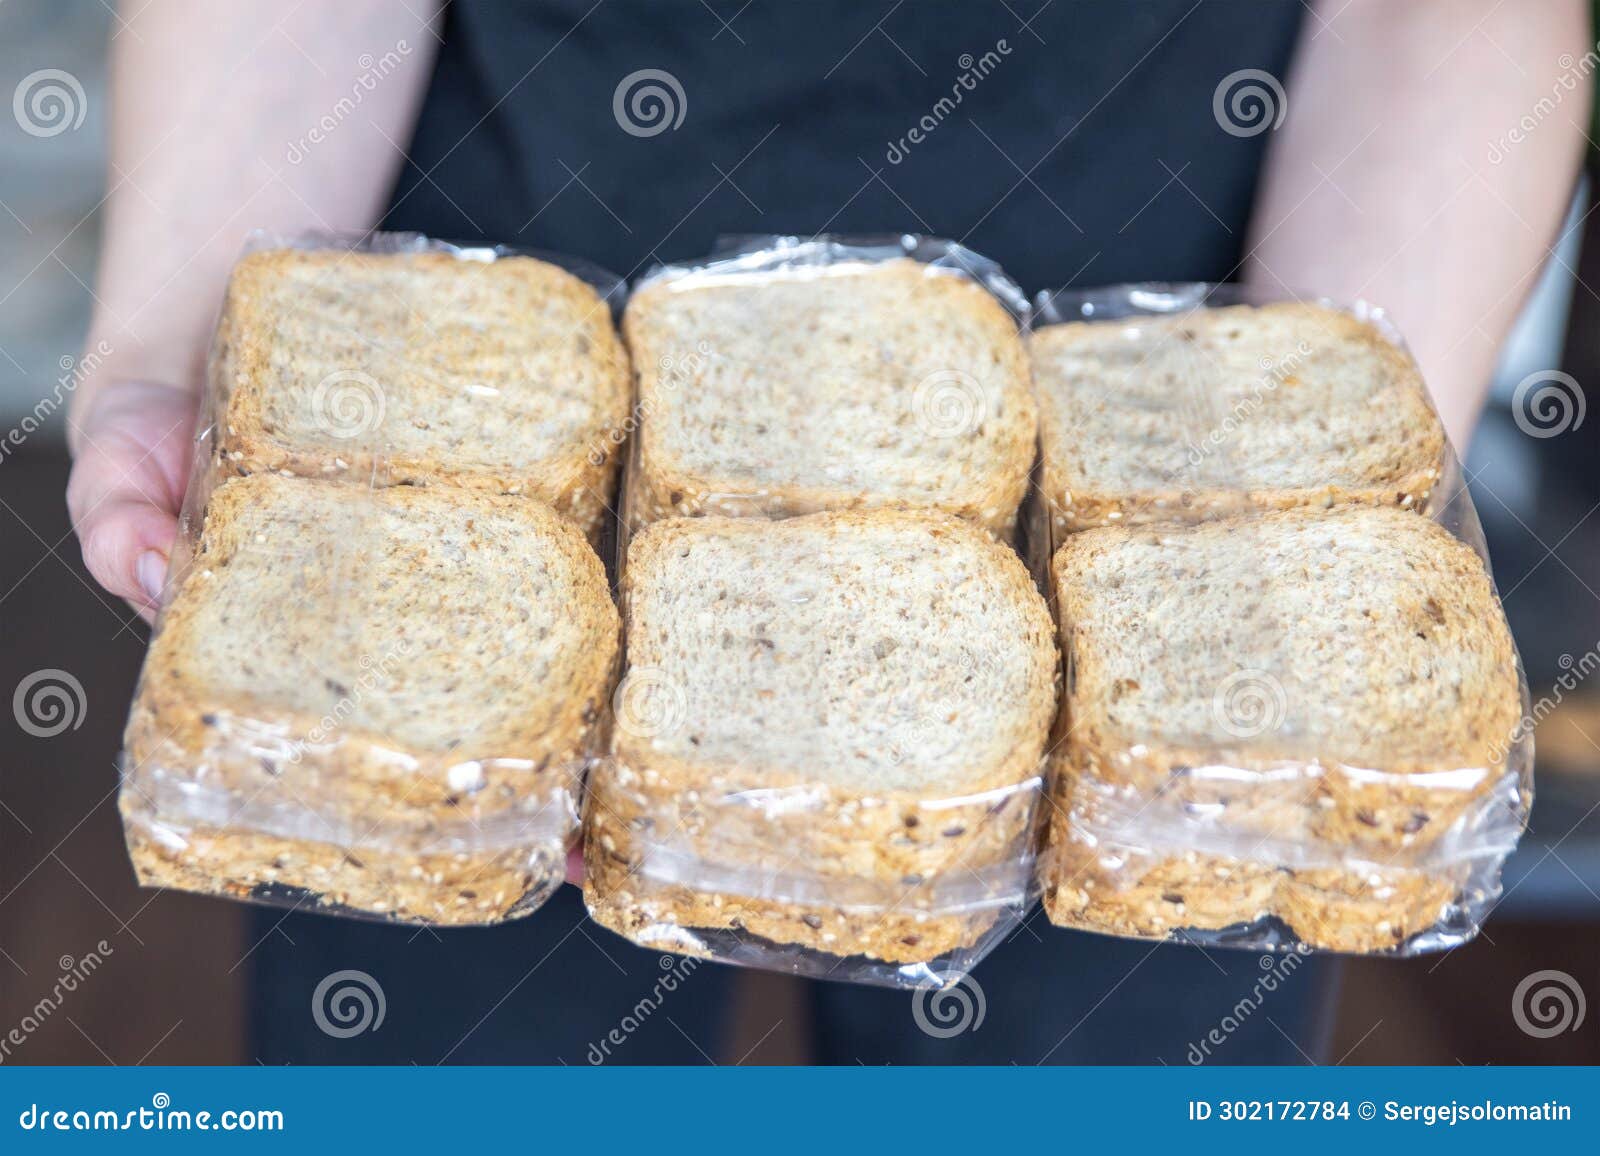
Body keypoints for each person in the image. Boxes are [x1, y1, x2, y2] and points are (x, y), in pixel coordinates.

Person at [68, 0, 1589, 1064]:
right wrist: (165, 350)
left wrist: (1330, 511)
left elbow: (1435, 6)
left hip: (1168, 391)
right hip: (466, 389)